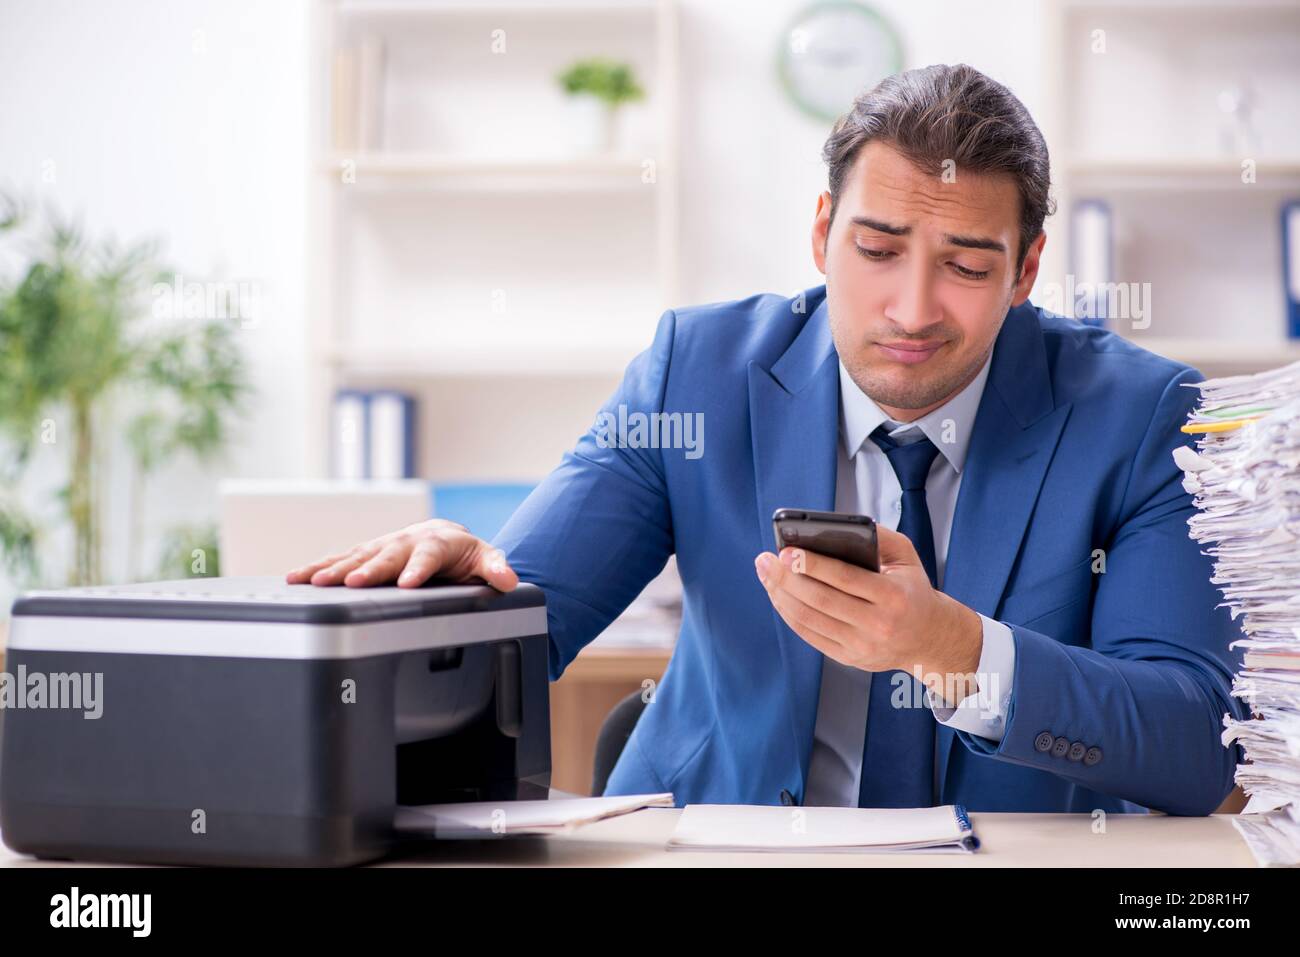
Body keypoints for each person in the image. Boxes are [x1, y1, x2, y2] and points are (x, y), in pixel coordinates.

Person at [287, 64, 1247, 815]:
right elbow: (523, 624)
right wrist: (452, 603)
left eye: (964, 264)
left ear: (1027, 268)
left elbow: (1198, 743)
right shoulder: (695, 372)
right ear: (823, 232)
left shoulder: (1143, 414)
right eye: (876, 251)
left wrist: (950, 647)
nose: (912, 309)